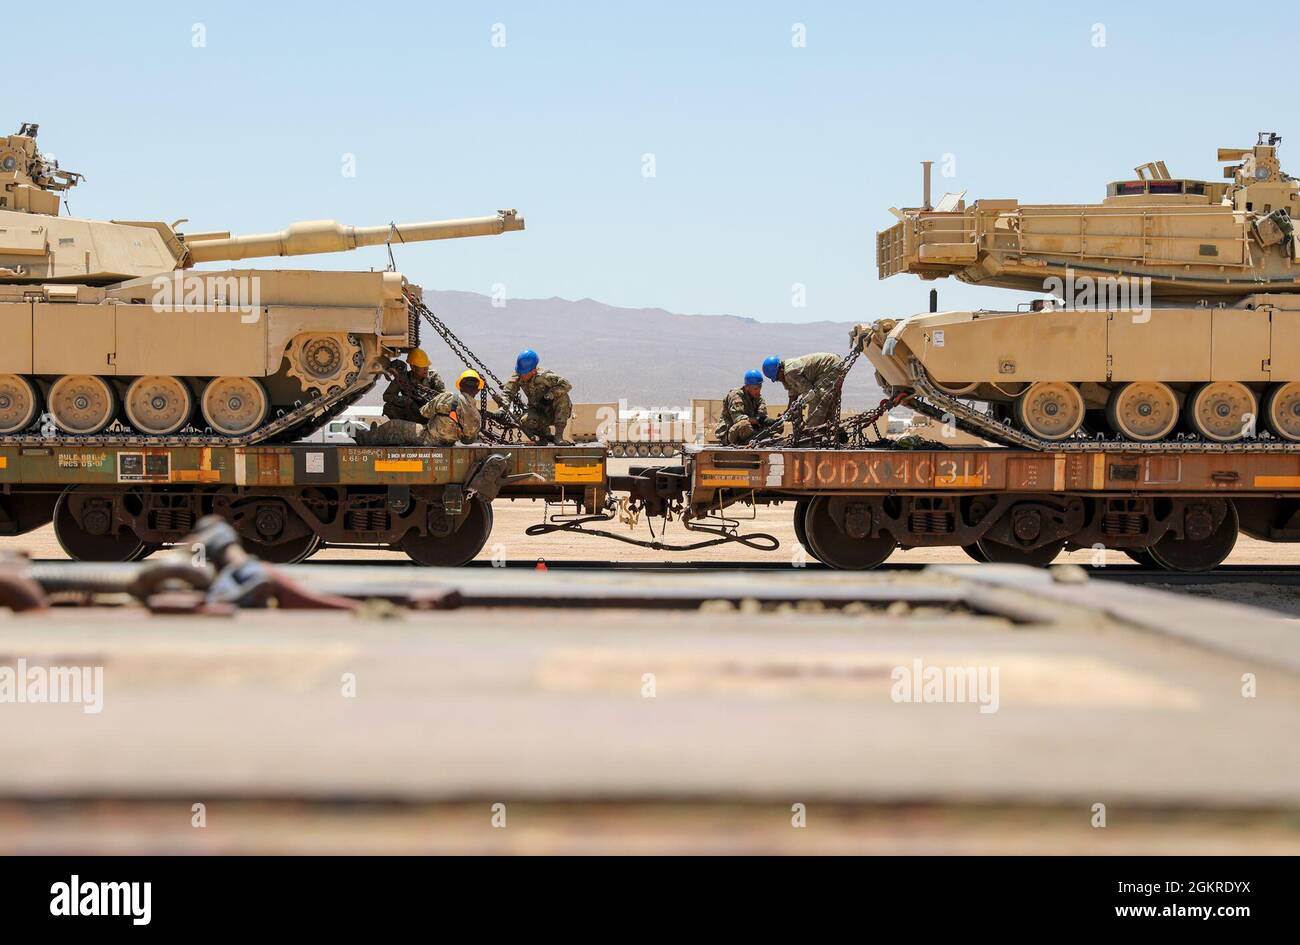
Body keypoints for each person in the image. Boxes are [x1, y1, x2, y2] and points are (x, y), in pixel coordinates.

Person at [357, 370, 483, 446]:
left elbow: (425, 412)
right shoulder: (477, 417)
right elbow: (468, 441)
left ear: (460, 386)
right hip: (448, 443)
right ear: (478, 390)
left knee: (394, 425)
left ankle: (364, 438)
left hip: (428, 437)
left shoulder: (448, 398)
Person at [497, 349, 573, 444]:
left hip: (554, 411)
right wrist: (502, 409)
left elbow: (566, 384)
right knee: (525, 421)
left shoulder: (545, 376)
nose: (521, 375)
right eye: (520, 372)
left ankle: (558, 437)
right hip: (538, 410)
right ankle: (544, 436)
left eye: (524, 373)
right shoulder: (518, 376)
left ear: (533, 371)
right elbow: (508, 393)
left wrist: (550, 395)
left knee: (563, 398)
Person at [762, 352, 845, 428]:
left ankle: (814, 431)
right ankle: (825, 428)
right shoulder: (786, 370)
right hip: (829, 365)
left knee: (820, 398)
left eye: (777, 378)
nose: (778, 380)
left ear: (780, 370)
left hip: (830, 366)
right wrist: (789, 410)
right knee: (826, 398)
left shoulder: (789, 373)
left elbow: (810, 393)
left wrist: (801, 409)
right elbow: (793, 392)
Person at [382, 349, 444, 423]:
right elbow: (387, 396)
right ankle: (405, 427)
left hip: (430, 413)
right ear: (413, 367)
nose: (426, 368)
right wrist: (406, 401)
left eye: (427, 365)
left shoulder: (433, 376)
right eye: (422, 366)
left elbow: (442, 398)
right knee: (389, 407)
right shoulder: (404, 378)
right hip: (413, 413)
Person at [716, 369, 775, 445]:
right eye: (755, 388)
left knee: (776, 426)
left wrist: (770, 422)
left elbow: (762, 416)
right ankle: (756, 440)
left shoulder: (758, 398)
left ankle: (756, 440)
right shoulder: (736, 396)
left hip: (751, 431)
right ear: (747, 387)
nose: (758, 391)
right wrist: (758, 420)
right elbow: (738, 418)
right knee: (744, 424)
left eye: (760, 387)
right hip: (730, 434)